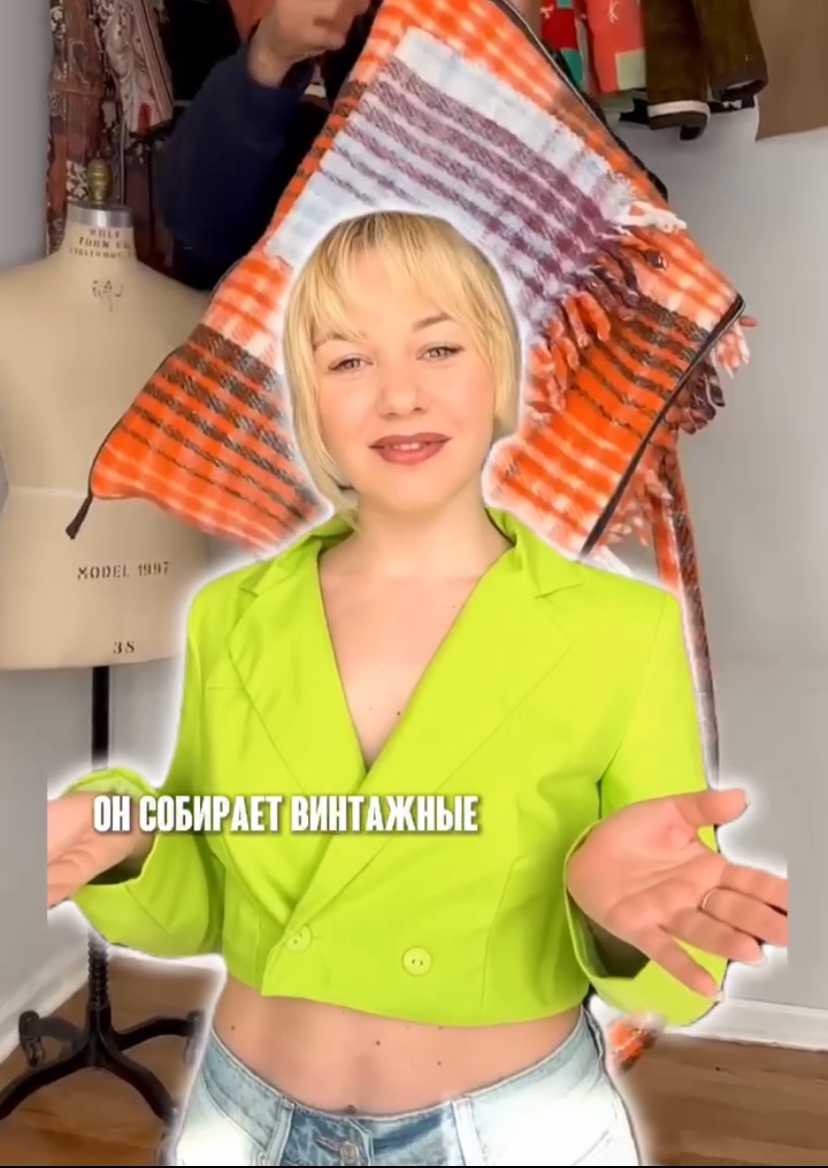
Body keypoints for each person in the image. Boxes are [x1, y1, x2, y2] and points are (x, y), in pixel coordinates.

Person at [47, 211, 787, 1167]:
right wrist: (128, 838)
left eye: (439, 347)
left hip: (512, 1137)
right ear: (310, 400)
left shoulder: (621, 631)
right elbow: (206, 898)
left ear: (498, 374)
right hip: (242, 1123)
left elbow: (682, 965)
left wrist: (612, 922)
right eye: (349, 360)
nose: (399, 395)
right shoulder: (232, 616)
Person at [156, 0, 543, 291]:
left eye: (455, 15)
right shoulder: (308, 160)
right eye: (402, 8)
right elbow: (194, 216)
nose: (428, 40)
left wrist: (532, 76)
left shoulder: (522, 158)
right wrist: (270, 54)